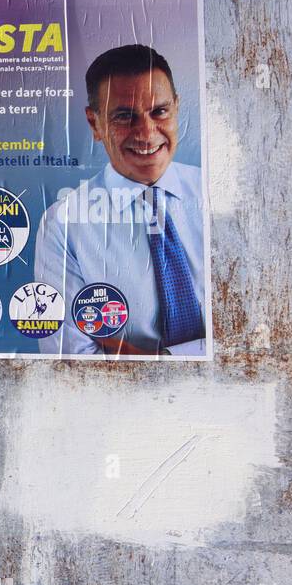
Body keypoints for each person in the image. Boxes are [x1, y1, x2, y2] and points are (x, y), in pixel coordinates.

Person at [34, 44, 208, 356]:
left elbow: (256, 333)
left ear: (177, 109)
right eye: (125, 116)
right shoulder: (63, 224)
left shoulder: (218, 196)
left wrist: (159, 360)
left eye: (159, 111)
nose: (146, 132)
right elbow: (70, 360)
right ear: (95, 124)